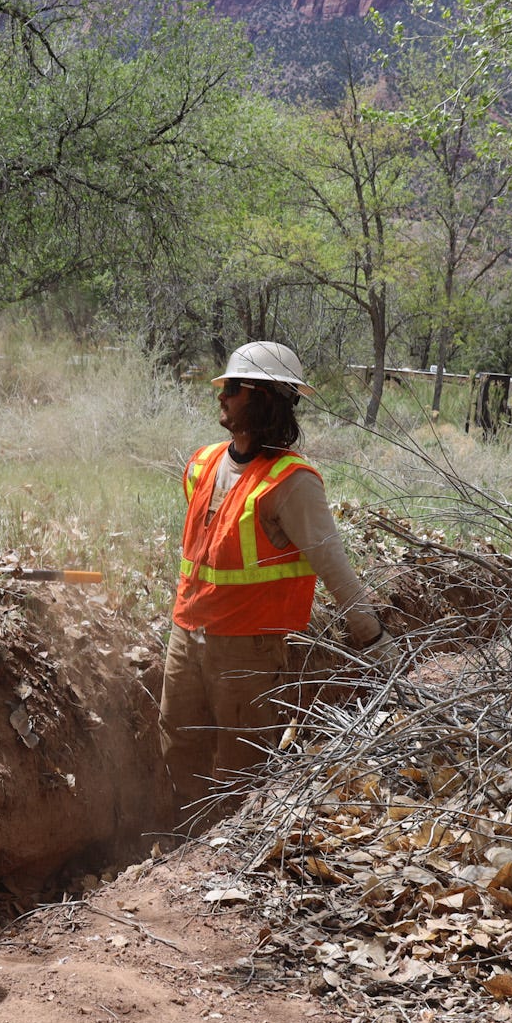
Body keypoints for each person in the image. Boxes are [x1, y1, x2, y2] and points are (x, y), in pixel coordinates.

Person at [159, 341, 388, 815]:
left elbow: (333, 565)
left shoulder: (292, 482)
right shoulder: (202, 464)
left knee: (241, 763)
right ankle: (185, 837)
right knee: (178, 740)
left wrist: (372, 638)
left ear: (263, 398)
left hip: (248, 649)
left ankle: (230, 847)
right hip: (187, 632)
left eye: (233, 388)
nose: (221, 396)